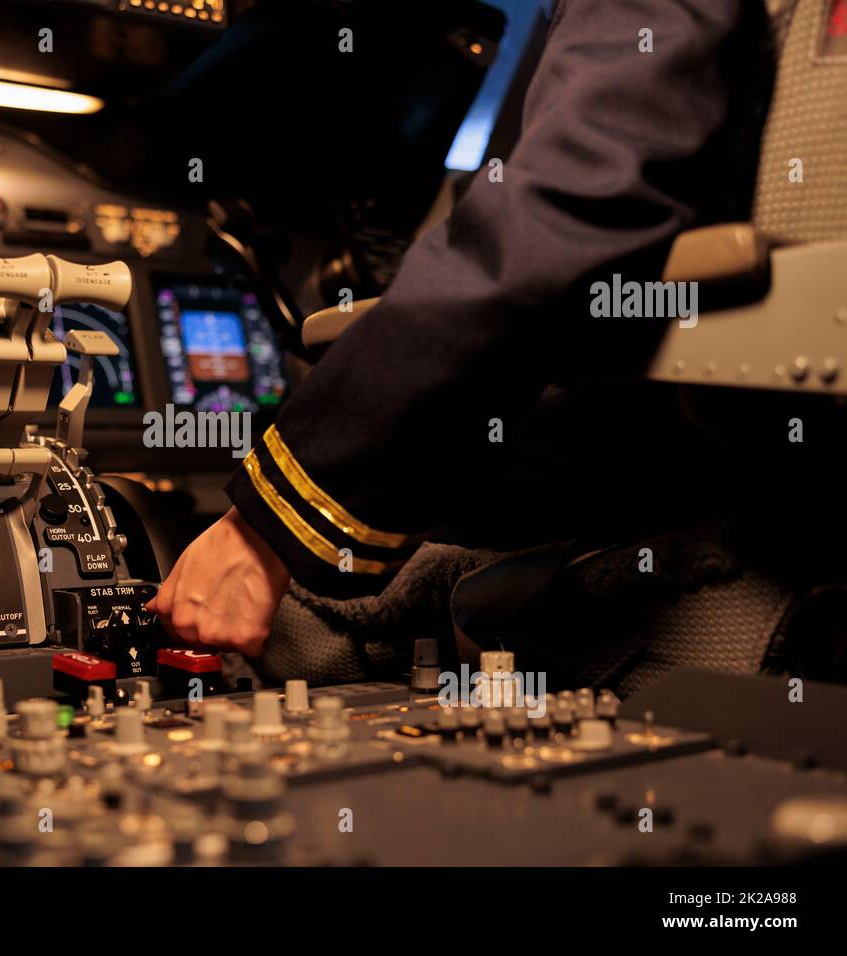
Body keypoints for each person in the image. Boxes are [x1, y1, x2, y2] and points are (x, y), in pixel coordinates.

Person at [148, 0, 780, 656]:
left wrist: (261, 533)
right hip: (682, 462)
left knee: (299, 634)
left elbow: (563, 215)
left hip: (660, 477)